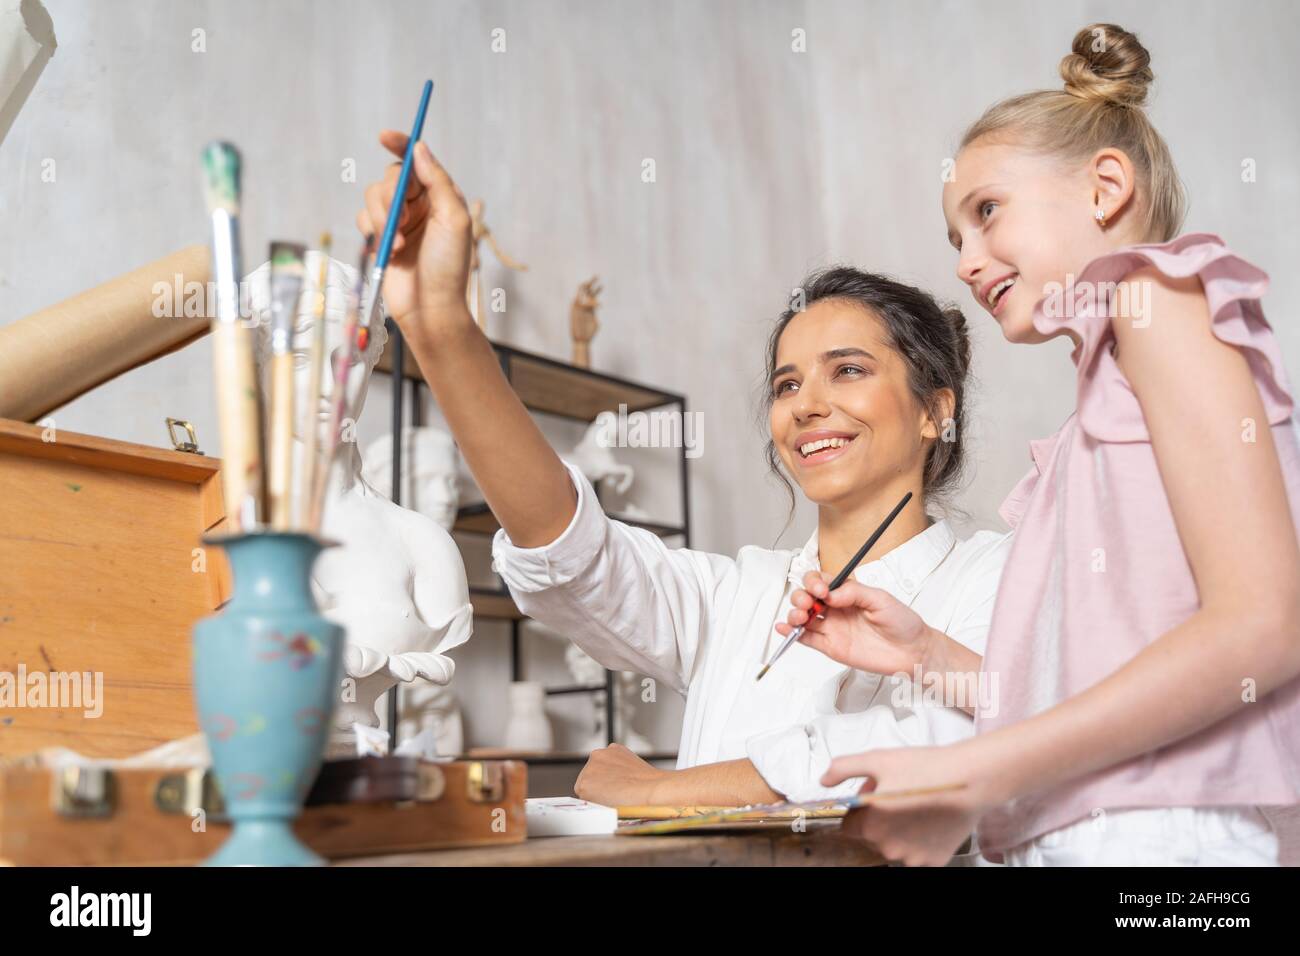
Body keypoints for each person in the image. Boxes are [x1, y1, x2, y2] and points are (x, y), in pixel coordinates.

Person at [355, 136, 1010, 810]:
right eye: (786, 385)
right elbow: (569, 550)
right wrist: (440, 326)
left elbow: (940, 752)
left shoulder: (999, 574)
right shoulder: (736, 596)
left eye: (848, 370)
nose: (807, 405)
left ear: (935, 410)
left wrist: (662, 790)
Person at [785, 22, 1300, 865]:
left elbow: (1266, 627)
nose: (966, 262)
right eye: (956, 238)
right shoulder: (1094, 416)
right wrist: (924, 655)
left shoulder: (1153, 304)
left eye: (986, 213)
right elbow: (1084, 705)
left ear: (1104, 188)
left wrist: (969, 773)